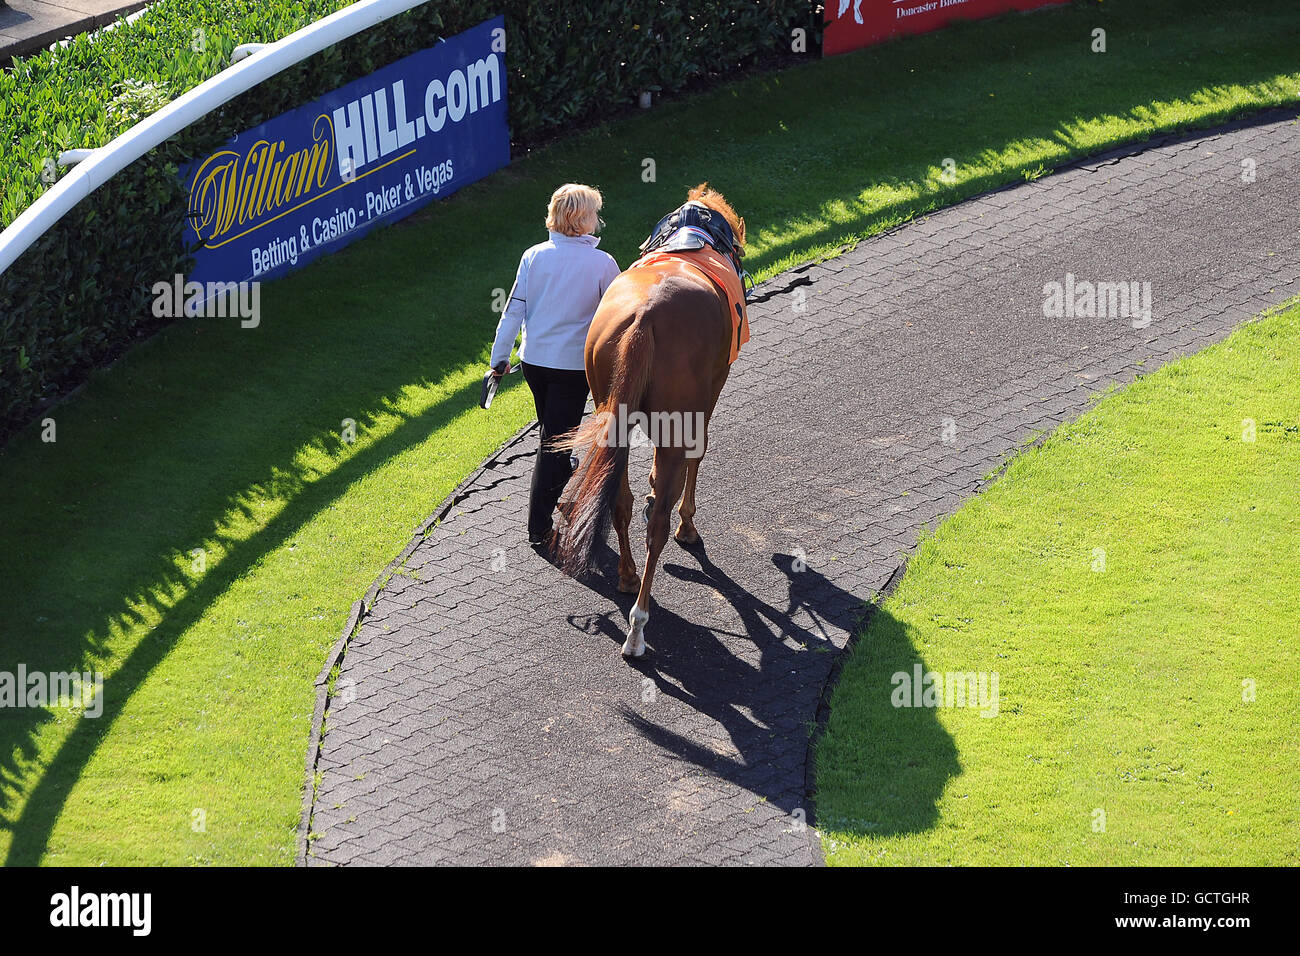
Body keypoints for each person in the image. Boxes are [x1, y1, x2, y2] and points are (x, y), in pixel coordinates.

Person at [489, 183, 621, 546]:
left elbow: (513, 310)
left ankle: (561, 474)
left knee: (553, 431)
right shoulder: (602, 263)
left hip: (533, 364)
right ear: (581, 219)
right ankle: (538, 528)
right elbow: (617, 318)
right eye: (594, 212)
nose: (598, 219)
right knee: (553, 444)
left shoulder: (533, 256)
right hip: (572, 370)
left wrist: (498, 360)